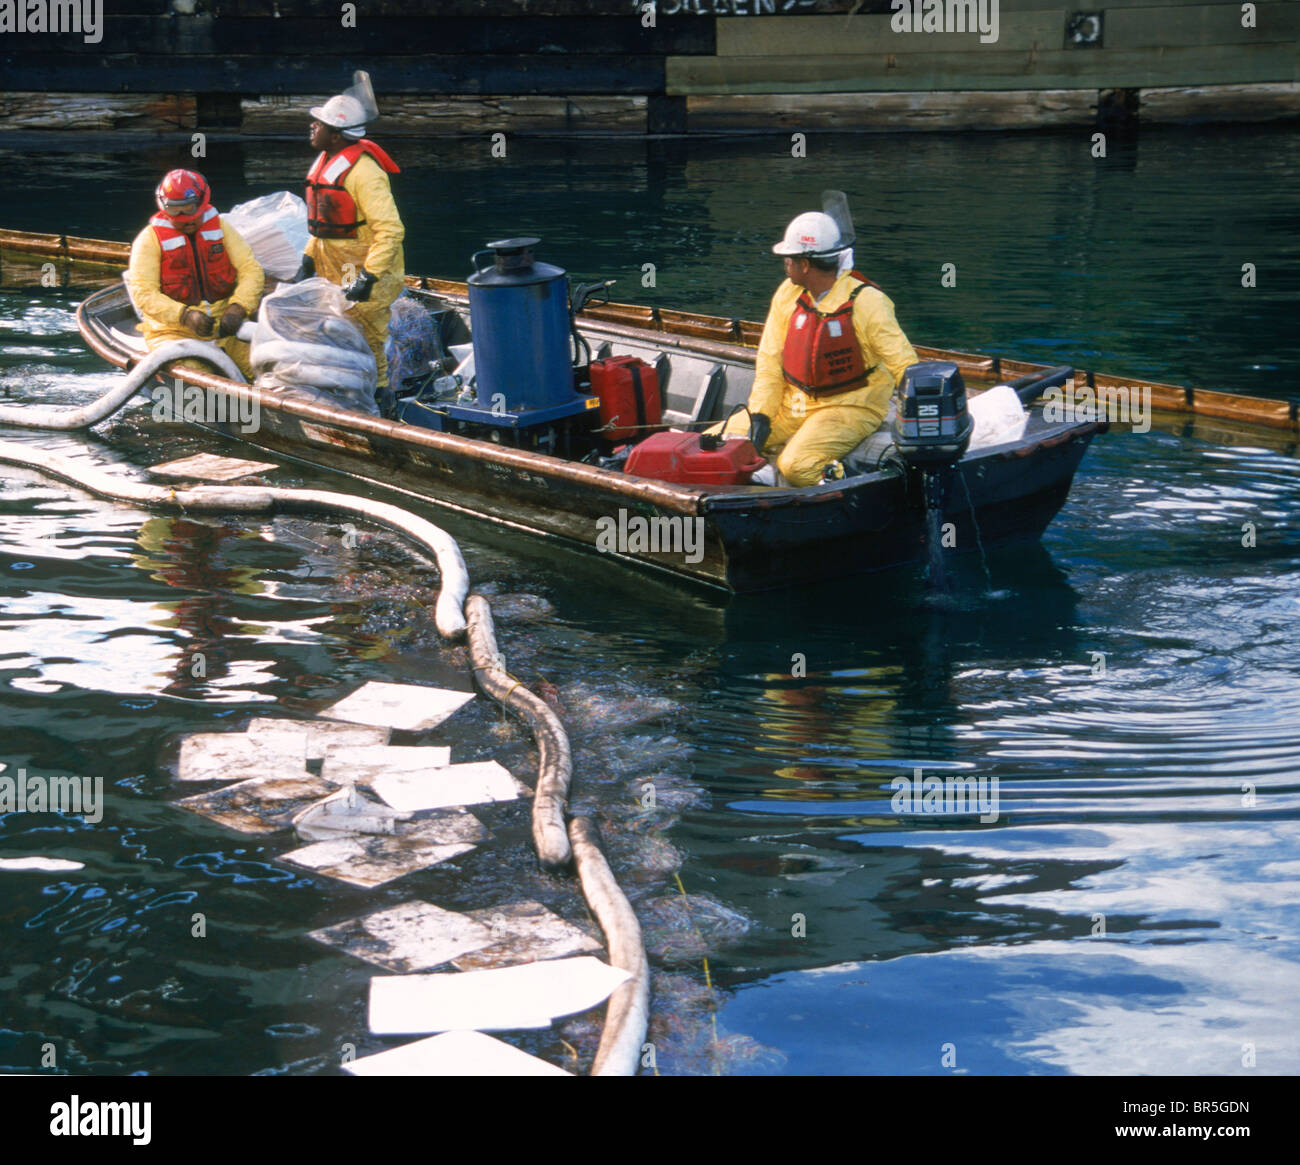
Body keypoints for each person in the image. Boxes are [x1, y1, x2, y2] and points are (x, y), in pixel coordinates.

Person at [717, 209, 918, 487]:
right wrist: (761, 416)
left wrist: (919, 410)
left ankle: (844, 487)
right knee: (718, 444)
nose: (785, 263)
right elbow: (770, 362)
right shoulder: (787, 293)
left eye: (789, 258)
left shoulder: (867, 301)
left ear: (806, 264)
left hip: (851, 407)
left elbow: (904, 364)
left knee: (796, 466)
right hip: (792, 405)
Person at [300, 89, 405, 416]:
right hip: (333, 269)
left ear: (335, 134)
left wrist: (368, 277)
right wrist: (308, 256)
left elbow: (390, 230)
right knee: (338, 334)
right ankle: (346, 391)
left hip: (367, 275)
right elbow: (323, 224)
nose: (312, 128)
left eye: (319, 125)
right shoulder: (327, 160)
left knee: (371, 339)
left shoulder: (365, 173)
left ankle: (381, 401)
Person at [126, 169, 264, 378]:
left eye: (190, 209)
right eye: (176, 212)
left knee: (263, 367)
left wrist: (239, 307)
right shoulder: (148, 240)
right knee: (200, 375)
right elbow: (143, 293)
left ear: (203, 203)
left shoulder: (221, 228)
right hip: (173, 335)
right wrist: (185, 315)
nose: (187, 219)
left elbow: (250, 269)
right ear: (164, 209)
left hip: (226, 328)